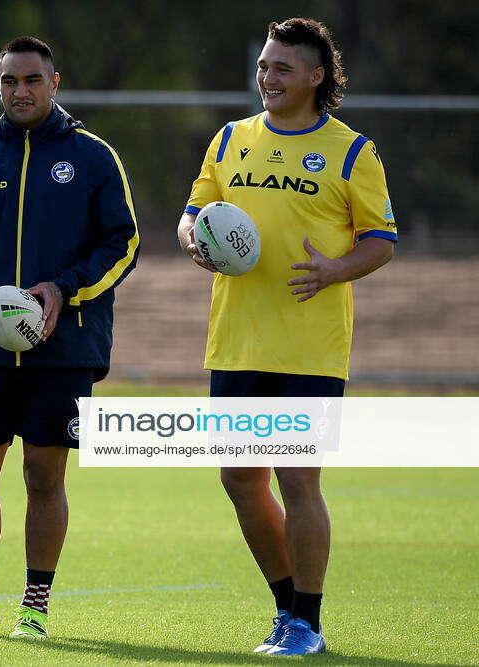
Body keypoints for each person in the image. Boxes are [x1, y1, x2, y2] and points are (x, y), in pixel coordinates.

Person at [177, 18, 396, 656]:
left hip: (309, 345)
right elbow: (195, 213)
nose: (266, 77)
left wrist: (334, 269)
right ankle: (285, 607)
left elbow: (380, 242)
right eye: (264, 66)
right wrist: (194, 240)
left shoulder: (353, 150)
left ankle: (308, 621)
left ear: (316, 76)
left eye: (281, 68)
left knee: (298, 481)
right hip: (236, 339)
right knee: (241, 480)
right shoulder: (230, 139)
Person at [0, 36, 139, 639]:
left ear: (55, 82)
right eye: (10, 81)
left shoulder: (93, 157)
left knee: (45, 475)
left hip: (65, 347)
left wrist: (65, 289)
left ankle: (35, 610)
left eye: (32, 80)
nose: (21, 91)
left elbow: (123, 243)